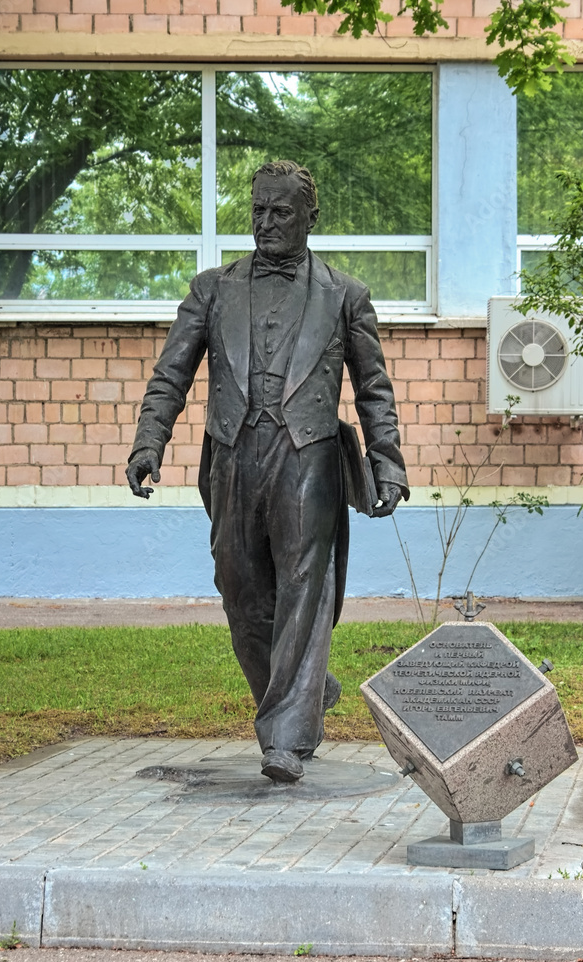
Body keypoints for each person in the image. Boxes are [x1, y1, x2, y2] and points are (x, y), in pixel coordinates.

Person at [126, 160, 409, 783]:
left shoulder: (346, 294)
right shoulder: (212, 289)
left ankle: (286, 735)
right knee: (240, 588)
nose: (266, 223)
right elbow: (171, 374)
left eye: (280, 212)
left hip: (308, 453)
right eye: (258, 211)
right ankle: (308, 689)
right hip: (232, 454)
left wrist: (387, 462)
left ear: (311, 217)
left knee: (305, 586)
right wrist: (150, 441)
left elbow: (373, 388)